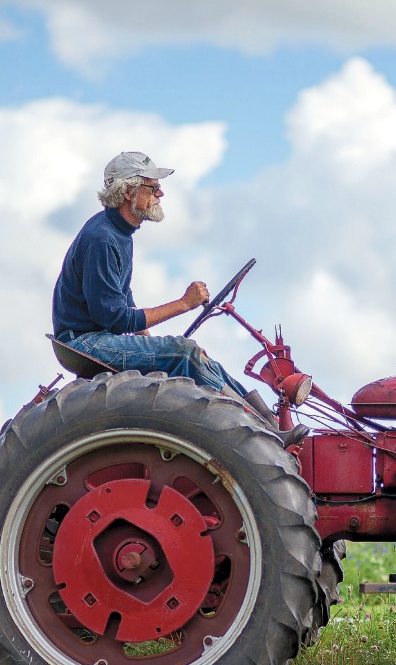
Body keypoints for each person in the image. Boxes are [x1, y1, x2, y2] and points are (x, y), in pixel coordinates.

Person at [52, 151, 307, 446]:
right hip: (83, 342)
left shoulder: (119, 233)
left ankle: (269, 422)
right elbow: (114, 317)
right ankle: (263, 432)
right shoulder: (103, 238)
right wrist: (184, 304)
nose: (160, 192)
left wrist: (145, 339)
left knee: (195, 355)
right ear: (128, 192)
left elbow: (122, 296)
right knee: (183, 353)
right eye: (152, 187)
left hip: (95, 336)